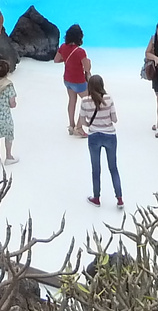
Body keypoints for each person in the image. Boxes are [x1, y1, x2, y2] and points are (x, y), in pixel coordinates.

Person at [80, 75, 123, 207]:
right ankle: (119, 198)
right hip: (110, 135)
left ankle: (97, 198)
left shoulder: (85, 101)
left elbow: (82, 121)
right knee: (113, 168)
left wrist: (91, 124)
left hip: (93, 136)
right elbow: (115, 119)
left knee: (96, 169)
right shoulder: (108, 99)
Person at [56, 24, 92, 136]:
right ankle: (79, 126)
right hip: (79, 81)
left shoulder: (63, 47)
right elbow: (87, 68)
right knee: (88, 102)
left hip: (67, 80)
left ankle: (71, 125)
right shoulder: (80, 52)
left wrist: (66, 59)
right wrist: (89, 63)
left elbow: (56, 60)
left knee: (72, 101)